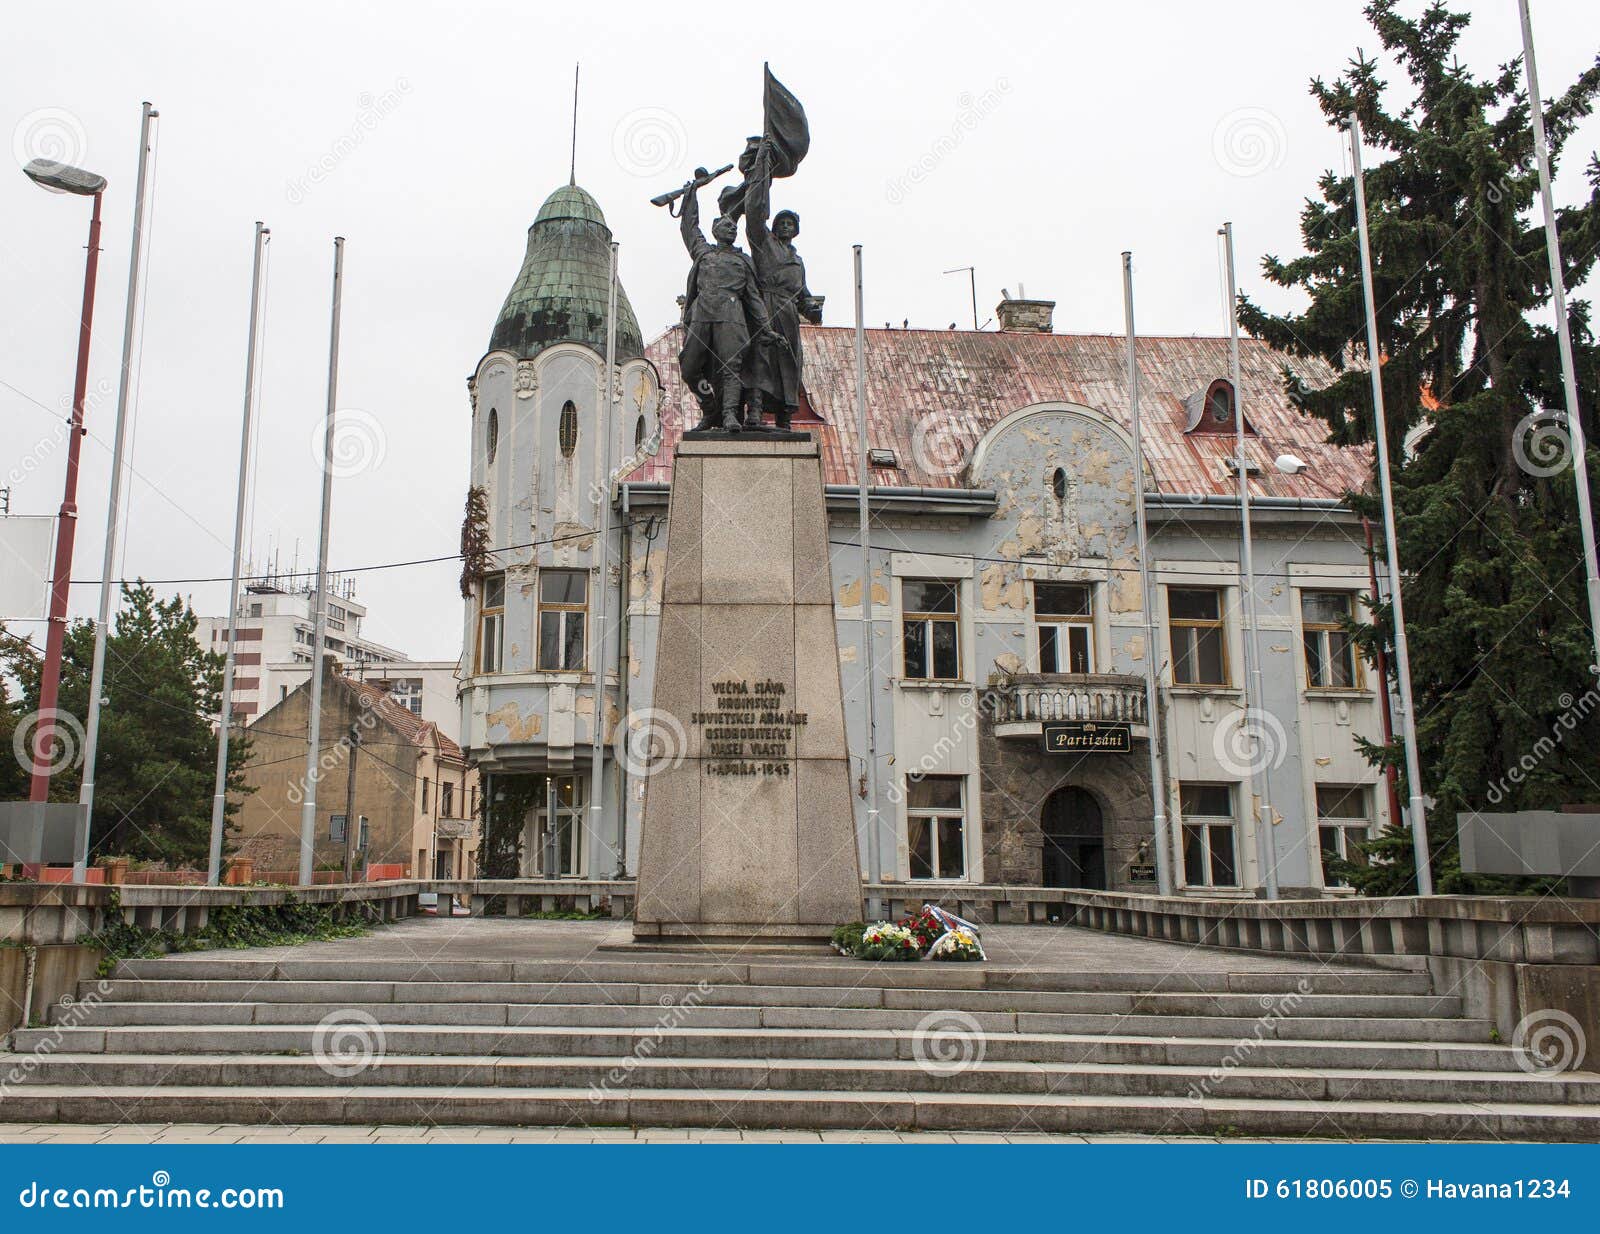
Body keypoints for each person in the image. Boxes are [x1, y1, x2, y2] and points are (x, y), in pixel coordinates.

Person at [677, 179, 779, 432]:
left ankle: (730, 415)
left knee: (730, 367)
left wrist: (766, 328)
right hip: (702, 313)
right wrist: (691, 195)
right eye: (726, 225)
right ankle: (710, 408)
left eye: (734, 226)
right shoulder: (703, 252)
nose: (732, 228)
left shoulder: (743, 261)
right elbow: (689, 227)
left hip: (732, 316)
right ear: (715, 230)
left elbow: (754, 298)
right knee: (689, 367)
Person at [744, 139, 822, 430]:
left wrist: (812, 310)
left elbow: (804, 294)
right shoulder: (764, 244)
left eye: (791, 223)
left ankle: (784, 416)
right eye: (782, 222)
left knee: (788, 363)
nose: (786, 226)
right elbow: (754, 212)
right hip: (765, 306)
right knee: (760, 358)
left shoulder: (797, 260)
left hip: (789, 314)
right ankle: (754, 410)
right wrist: (763, 163)